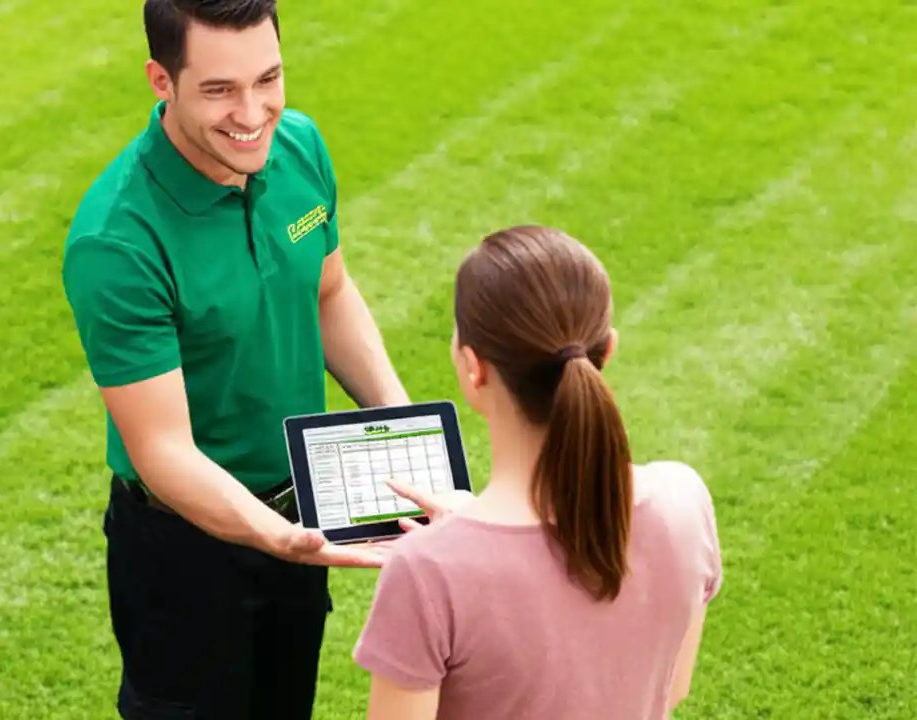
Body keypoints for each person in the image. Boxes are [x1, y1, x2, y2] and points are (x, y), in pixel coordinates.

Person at [60, 1, 410, 717]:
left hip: (298, 511)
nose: (253, 114)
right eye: (219, 90)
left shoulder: (300, 146)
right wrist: (281, 536)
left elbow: (330, 291)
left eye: (268, 79)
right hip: (182, 553)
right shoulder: (117, 241)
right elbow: (161, 450)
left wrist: (400, 422)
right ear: (163, 80)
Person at [353, 225, 724, 719]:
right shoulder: (683, 499)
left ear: (473, 368)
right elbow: (669, 688)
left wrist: (458, 543)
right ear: (607, 350)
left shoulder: (428, 571)